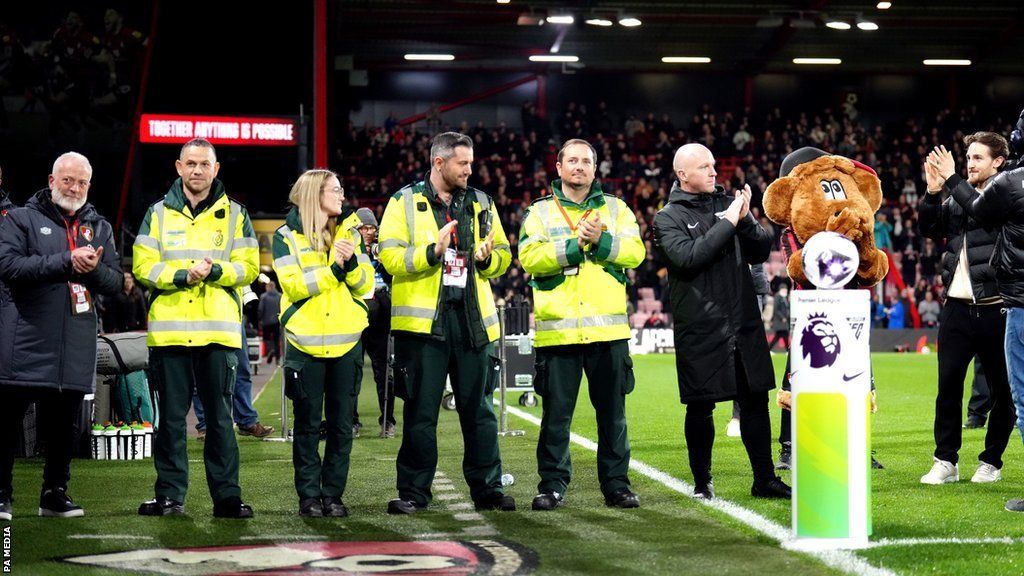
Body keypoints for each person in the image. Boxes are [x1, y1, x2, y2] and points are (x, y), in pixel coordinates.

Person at [378, 132, 515, 514]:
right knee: (420, 414)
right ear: (439, 162)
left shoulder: (482, 202)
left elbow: (504, 255)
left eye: (471, 162)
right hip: (424, 328)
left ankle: (488, 490)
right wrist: (432, 252)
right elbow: (388, 258)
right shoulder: (404, 201)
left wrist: (488, 259)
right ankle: (413, 493)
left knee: (480, 413)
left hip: (472, 322)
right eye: (463, 163)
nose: (470, 169)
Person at [652, 143, 790, 500]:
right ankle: (702, 482)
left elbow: (761, 249)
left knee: (755, 401)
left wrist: (746, 219)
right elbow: (688, 258)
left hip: (743, 321)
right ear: (683, 174)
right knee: (701, 405)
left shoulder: (728, 204)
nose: (714, 172)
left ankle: (764, 479)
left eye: (714, 165)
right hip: (701, 325)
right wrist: (729, 221)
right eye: (704, 167)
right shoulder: (667, 217)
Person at [133, 138, 259, 518]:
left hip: (217, 335)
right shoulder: (157, 213)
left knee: (220, 421)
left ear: (216, 169)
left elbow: (249, 267)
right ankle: (169, 497)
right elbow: (142, 266)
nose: (197, 170)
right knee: (171, 422)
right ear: (179, 167)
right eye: (191, 163)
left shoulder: (236, 214)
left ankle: (227, 499)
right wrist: (182, 275)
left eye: (205, 164)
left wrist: (216, 270)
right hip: (170, 335)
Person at [519, 138, 645, 511]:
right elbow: (529, 257)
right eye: (572, 160)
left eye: (586, 161)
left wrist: (601, 240)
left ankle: (617, 486)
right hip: (559, 334)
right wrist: (576, 246)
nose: (579, 166)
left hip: (608, 333)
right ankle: (552, 486)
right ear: (559, 167)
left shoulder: (617, 209)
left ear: (595, 168)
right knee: (555, 419)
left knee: (613, 418)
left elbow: (636, 252)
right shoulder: (540, 211)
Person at [0, 152, 122, 519]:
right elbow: (8, 266)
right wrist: (66, 261)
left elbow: (115, 282)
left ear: (89, 185)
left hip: (76, 341)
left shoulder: (100, 227)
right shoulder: (19, 219)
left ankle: (54, 493)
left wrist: (93, 269)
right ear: (51, 181)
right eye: (67, 180)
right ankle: (2, 494)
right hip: (25, 338)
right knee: (7, 423)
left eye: (82, 182)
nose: (74, 188)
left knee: (65, 425)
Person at [927, 140, 1024, 513]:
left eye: (978, 157)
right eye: (967, 157)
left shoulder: (1005, 195)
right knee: (948, 386)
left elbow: (980, 210)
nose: (970, 163)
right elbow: (930, 228)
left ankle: (991, 461)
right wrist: (933, 193)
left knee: (1003, 391)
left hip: (997, 305)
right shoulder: (959, 196)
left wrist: (952, 181)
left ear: (998, 162)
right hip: (956, 305)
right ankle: (945, 460)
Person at [272, 169, 373, 517]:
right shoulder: (285, 236)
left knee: (342, 426)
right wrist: (335, 270)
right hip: (305, 342)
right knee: (307, 426)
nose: (342, 196)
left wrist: (352, 263)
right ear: (315, 194)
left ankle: (332, 495)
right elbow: (293, 285)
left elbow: (366, 285)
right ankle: (309, 497)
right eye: (335, 190)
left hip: (347, 341)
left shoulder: (351, 233)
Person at [351, 207, 396, 439]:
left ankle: (387, 420)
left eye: (372, 228)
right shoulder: (350, 249)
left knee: (384, 370)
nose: (369, 232)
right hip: (356, 310)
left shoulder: (383, 251)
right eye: (364, 228)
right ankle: (352, 421)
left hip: (381, 311)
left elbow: (392, 278)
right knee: (352, 370)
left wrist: (382, 260)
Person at [258, 281, 282, 365]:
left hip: (266, 322)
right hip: (277, 321)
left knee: (267, 339)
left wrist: (259, 319)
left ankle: (269, 351)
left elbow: (261, 309)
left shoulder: (263, 296)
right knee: (276, 340)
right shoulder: (280, 296)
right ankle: (277, 359)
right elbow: (282, 308)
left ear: (267, 287)